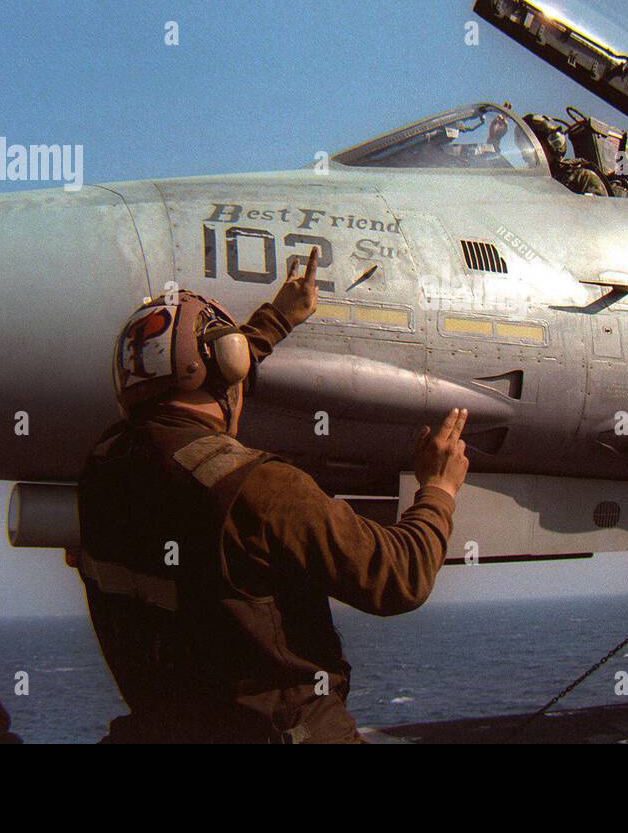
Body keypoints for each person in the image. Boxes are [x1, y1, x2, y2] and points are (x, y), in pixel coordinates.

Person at [76, 249, 470, 743]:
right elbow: (398, 578)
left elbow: (195, 386)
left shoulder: (104, 467)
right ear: (227, 371)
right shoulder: (259, 488)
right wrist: (438, 489)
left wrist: (276, 320)